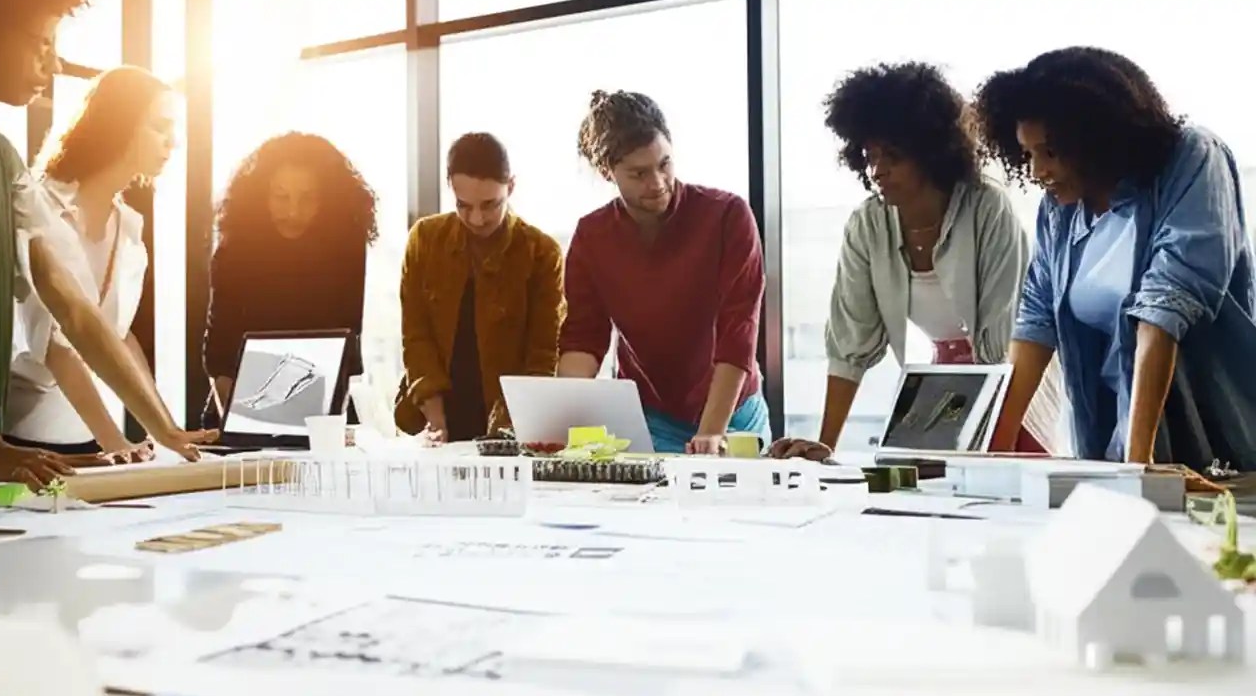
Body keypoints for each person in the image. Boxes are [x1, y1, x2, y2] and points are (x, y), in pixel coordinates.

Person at [976, 46, 1256, 470]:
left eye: (1050, 152)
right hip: (1114, 449)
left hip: (1220, 446)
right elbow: (1035, 324)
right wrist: (985, 457)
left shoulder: (1192, 159)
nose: (1036, 172)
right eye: (1028, 154)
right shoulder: (1060, 208)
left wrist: (1138, 465)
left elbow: (1165, 306)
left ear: (1094, 136)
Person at [768, 62, 1064, 462]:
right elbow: (849, 345)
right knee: (921, 486)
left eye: (892, 156)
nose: (877, 170)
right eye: (869, 155)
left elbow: (1002, 342)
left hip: (1014, 376)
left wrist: (987, 452)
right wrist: (828, 447)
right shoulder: (867, 224)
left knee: (1004, 486)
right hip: (947, 376)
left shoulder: (987, 208)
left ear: (931, 153)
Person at [0, 0, 210, 488]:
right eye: (41, 42)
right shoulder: (34, 186)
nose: (54, 62)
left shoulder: (4, 163)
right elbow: (58, 343)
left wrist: (162, 428)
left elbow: (75, 309)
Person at [558, 90, 768, 454]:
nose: (656, 183)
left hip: (731, 414)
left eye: (664, 164)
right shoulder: (592, 236)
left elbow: (739, 331)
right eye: (638, 173)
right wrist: (561, 423)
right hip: (648, 417)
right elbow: (583, 337)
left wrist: (712, 432)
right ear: (608, 172)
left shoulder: (728, 216)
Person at [4, 66, 176, 460]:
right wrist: (116, 442)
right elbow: (56, 346)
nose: (173, 142)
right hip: (25, 439)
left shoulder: (130, 229)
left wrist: (166, 429)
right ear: (121, 124)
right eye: (160, 127)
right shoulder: (40, 207)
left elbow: (119, 338)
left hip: (90, 438)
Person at [395, 133, 564, 442]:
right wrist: (435, 421)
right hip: (437, 411)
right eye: (463, 205)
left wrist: (506, 433)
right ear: (451, 189)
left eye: (490, 204)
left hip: (510, 420)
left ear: (510, 187)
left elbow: (542, 356)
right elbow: (416, 337)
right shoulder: (425, 240)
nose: (477, 218)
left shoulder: (541, 252)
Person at [203, 132, 376, 427]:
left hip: (324, 407)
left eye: (308, 198)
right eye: (281, 197)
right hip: (237, 404)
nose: (294, 211)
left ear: (327, 199)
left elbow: (346, 341)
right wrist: (238, 427)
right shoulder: (236, 248)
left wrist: (332, 426)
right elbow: (220, 351)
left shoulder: (345, 244)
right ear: (261, 196)